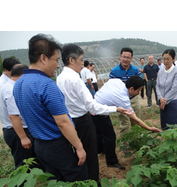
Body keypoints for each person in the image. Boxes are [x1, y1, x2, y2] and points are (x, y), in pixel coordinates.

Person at [13, 34, 89, 187]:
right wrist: (79, 147)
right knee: (79, 182)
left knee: (56, 184)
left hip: (40, 144)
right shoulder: (46, 84)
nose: (57, 65)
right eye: (55, 60)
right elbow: (62, 122)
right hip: (58, 144)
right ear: (43, 58)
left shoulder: (19, 83)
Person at [56, 44, 130, 176]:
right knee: (89, 153)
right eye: (81, 59)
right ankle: (93, 182)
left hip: (70, 120)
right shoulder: (75, 79)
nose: (82, 63)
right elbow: (92, 106)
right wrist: (116, 108)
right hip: (82, 120)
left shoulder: (60, 77)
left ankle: (82, 178)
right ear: (71, 60)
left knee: (78, 151)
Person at [93, 75, 161, 168]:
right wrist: (149, 128)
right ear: (131, 88)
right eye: (138, 91)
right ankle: (111, 162)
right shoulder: (123, 99)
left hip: (94, 105)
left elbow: (106, 85)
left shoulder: (117, 81)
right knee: (110, 137)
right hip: (97, 112)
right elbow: (135, 119)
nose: (138, 93)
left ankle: (100, 150)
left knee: (99, 132)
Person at [0, 64, 37, 169]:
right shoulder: (12, 89)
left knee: (33, 160)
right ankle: (22, 185)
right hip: (17, 131)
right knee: (22, 165)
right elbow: (13, 116)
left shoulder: (7, 85)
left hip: (16, 130)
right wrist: (23, 137)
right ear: (23, 75)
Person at [109, 47, 141, 134]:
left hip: (133, 99)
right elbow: (111, 87)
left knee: (136, 121)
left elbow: (140, 84)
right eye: (124, 57)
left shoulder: (135, 70)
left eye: (128, 57)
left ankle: (136, 142)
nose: (125, 59)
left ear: (131, 58)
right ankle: (125, 144)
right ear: (120, 57)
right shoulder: (114, 71)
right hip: (121, 100)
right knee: (124, 123)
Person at [156, 49, 177, 130]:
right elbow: (157, 86)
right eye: (164, 59)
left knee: (173, 125)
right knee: (165, 125)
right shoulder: (160, 71)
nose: (165, 61)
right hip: (162, 101)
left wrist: (165, 100)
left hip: (173, 101)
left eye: (168, 59)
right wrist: (160, 98)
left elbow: (174, 88)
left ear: (173, 59)